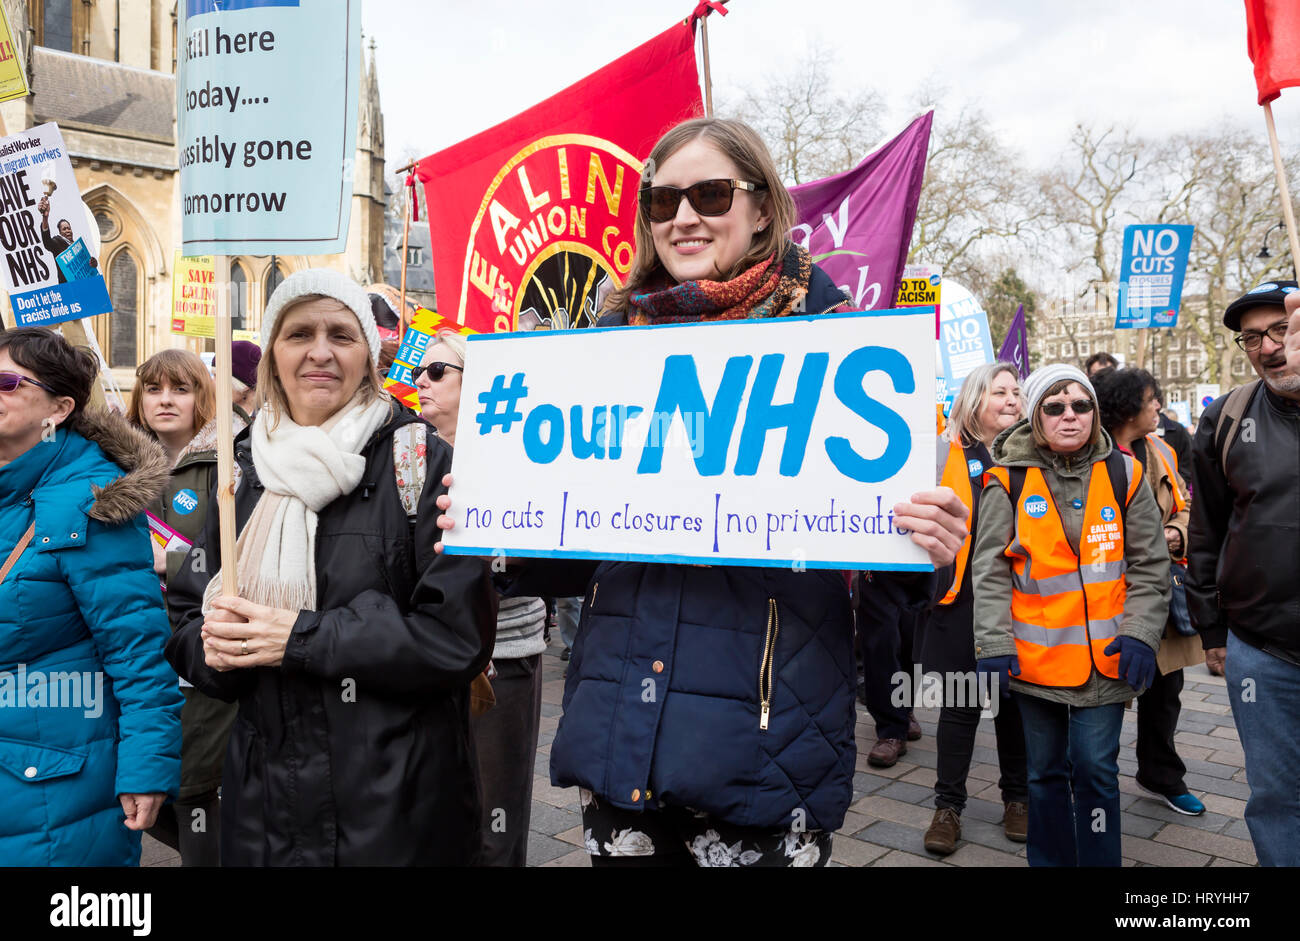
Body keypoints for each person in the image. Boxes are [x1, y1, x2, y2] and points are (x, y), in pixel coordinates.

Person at [436, 117, 969, 867]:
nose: (683, 217)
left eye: (711, 194)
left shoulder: (841, 339)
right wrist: (502, 526)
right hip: (627, 733)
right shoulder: (605, 344)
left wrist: (931, 546)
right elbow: (578, 561)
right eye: (662, 201)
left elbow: (890, 576)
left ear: (762, 206)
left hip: (765, 743)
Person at [166, 269, 496, 865]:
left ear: (370, 358)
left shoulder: (423, 462)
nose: (320, 351)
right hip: (264, 814)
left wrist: (298, 639)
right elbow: (188, 615)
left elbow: (456, 639)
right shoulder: (234, 473)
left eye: (341, 335)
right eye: (300, 334)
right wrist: (211, 649)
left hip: (400, 811)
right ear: (272, 355)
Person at [972, 364, 1169, 866]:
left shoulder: (1125, 472)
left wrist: (1142, 634)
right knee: (1043, 773)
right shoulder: (1005, 481)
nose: (1070, 416)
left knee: (1096, 769)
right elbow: (990, 572)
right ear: (1035, 416)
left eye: (1081, 406)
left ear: (1095, 413)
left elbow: (1150, 563)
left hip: (1107, 662)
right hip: (1034, 664)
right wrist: (992, 645)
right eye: (1054, 407)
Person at [0, 327, 182, 864]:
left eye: (7, 382)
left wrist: (146, 769)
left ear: (59, 408)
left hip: (54, 787)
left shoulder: (89, 502)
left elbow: (140, 653)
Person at [414, 328, 547, 867]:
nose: (421, 380)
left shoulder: (519, 456)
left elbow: (541, 560)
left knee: (494, 818)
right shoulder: (409, 458)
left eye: (439, 371)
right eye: (419, 371)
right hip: (429, 659)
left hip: (502, 655)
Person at [1188, 279, 1300, 866]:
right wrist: (1212, 630)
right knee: (1277, 795)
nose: (1267, 347)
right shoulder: (1226, 418)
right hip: (1262, 650)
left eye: (1281, 328)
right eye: (1252, 337)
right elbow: (1206, 527)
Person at [127, 348, 244, 865]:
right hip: (134, 648)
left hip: (199, 649)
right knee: (145, 786)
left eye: (180, 389)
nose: (166, 400)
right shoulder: (113, 464)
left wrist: (168, 562)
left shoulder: (234, 462)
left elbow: (239, 552)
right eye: (153, 389)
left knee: (196, 786)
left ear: (203, 397)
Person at [920, 362, 1029, 855]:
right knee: (961, 705)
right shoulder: (944, 453)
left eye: (1017, 392)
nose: (1011, 399)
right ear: (974, 400)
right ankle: (948, 808)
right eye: (999, 391)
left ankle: (1019, 799)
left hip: (1021, 601)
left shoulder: (1035, 457)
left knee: (1015, 704)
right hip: (960, 597)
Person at [1094, 367, 1205, 816]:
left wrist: (1177, 533)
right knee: (1108, 693)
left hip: (1161, 591)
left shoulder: (1161, 449)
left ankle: (1161, 774)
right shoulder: (1093, 454)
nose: (1158, 405)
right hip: (1108, 597)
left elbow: (1185, 503)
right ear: (1126, 406)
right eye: (1150, 398)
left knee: (1166, 691)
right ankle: (1091, 779)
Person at [37, 196, 98, 282]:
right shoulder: (57, 242)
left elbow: (89, 266)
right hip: (67, 287)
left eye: (69, 228)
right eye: (64, 229)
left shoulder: (79, 246)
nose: (67, 231)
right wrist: (45, 217)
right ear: (60, 232)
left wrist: (93, 263)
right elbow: (47, 242)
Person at [228, 340, 261, 424]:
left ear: (244, 386)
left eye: (218, 377)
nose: (212, 383)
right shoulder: (214, 416)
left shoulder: (267, 421)